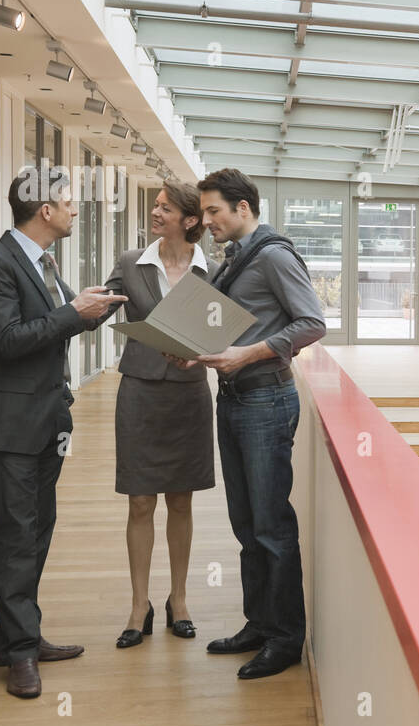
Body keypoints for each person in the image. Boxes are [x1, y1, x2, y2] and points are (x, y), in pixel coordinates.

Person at [0, 167, 127, 698]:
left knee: (35, 532)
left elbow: (57, 323)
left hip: (46, 421)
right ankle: (19, 656)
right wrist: (71, 311)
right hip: (9, 426)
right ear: (44, 210)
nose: (75, 210)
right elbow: (9, 340)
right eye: (69, 202)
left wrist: (97, 307)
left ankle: (15, 639)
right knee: (16, 537)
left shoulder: (43, 262)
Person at [187, 168, 326, 679]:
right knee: (246, 525)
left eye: (213, 212)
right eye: (203, 213)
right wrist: (198, 352)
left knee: (270, 527)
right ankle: (259, 623)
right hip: (236, 397)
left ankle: (287, 639)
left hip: (265, 401)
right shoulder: (237, 258)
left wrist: (246, 355)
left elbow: (312, 322)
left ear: (243, 208)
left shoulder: (272, 256)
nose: (206, 222)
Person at [102, 180, 218, 648]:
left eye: (165, 208)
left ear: (190, 221)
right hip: (140, 394)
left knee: (182, 501)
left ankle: (180, 600)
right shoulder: (132, 263)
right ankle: (138, 605)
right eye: (155, 206)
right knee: (139, 501)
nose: (155, 213)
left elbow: (220, 328)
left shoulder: (215, 270)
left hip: (189, 396)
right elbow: (102, 305)